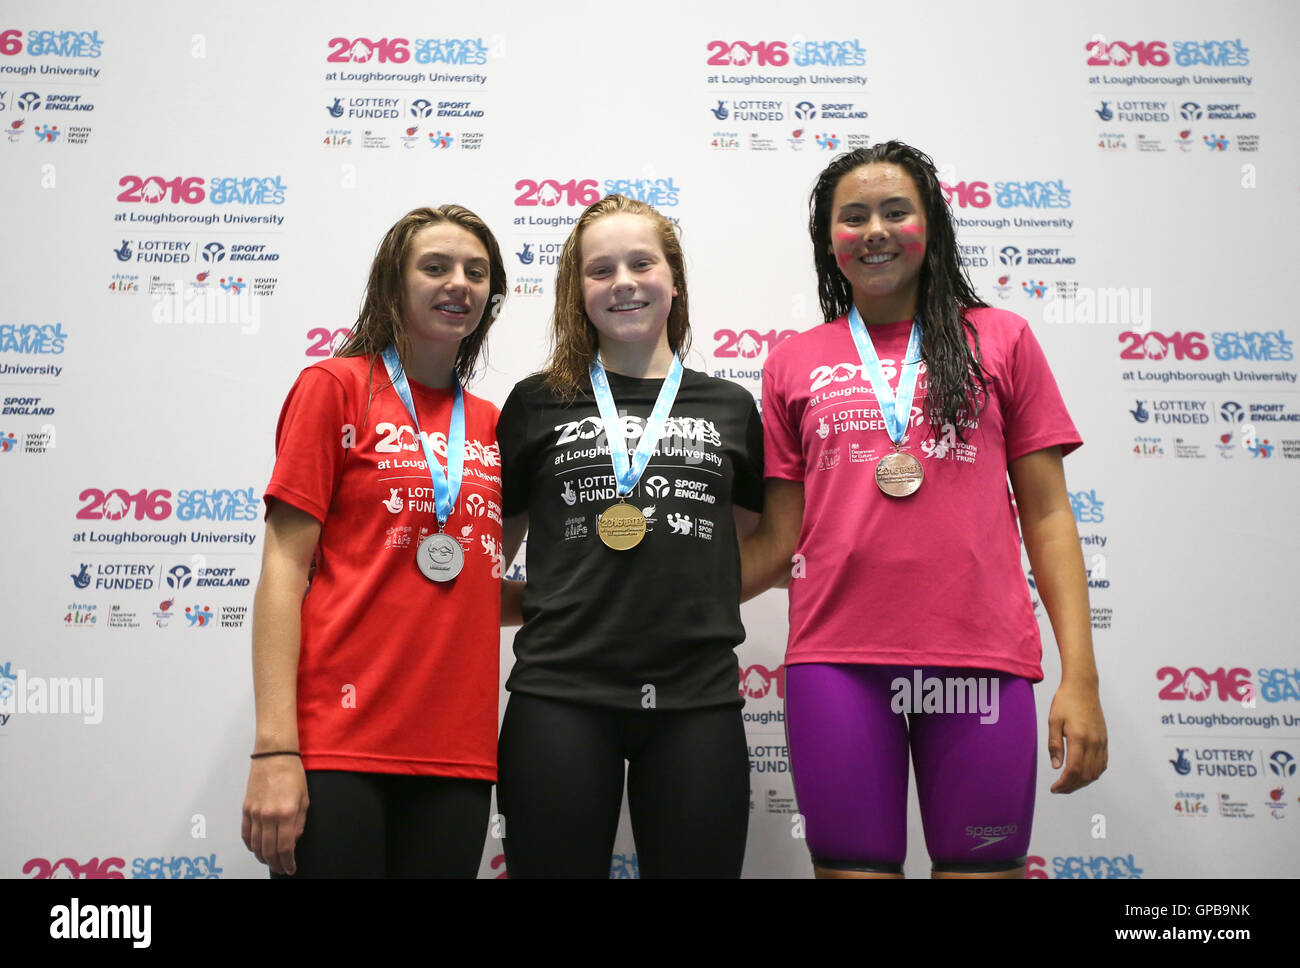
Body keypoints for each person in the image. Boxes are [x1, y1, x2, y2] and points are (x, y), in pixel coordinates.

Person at [742, 142, 1108, 879]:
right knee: (854, 870)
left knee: (982, 869)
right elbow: (781, 540)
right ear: (829, 240)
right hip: (838, 663)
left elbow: (1047, 516)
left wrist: (1081, 678)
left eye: (895, 211)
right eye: (853, 217)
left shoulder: (1000, 339)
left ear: (930, 226)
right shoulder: (792, 362)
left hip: (979, 658)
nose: (874, 230)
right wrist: (654, 602)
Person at [496, 194, 764, 878]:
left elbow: (743, 547)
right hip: (561, 692)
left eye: (641, 262)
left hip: (696, 698)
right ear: (575, 291)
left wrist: (688, 595)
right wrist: (558, 599)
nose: (623, 282)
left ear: (673, 278)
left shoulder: (731, 407)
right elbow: (488, 549)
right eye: (599, 269)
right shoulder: (536, 402)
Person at [241, 204, 508, 877]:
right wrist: (276, 750)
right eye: (436, 266)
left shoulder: (490, 424)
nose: (460, 284)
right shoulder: (334, 388)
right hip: (339, 744)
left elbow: (470, 583)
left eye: (476, 272)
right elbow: (283, 568)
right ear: (394, 284)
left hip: (457, 750)